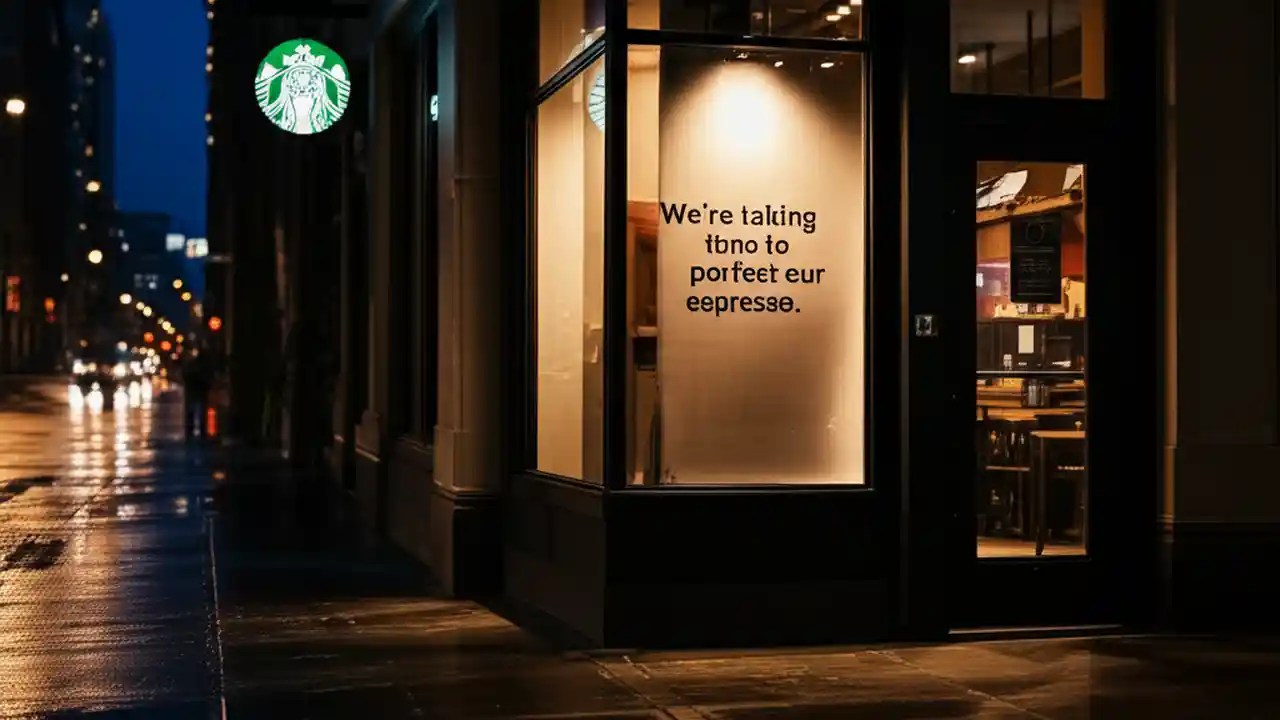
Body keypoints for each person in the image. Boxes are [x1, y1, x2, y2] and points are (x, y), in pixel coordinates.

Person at [182, 348, 213, 438]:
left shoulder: (193, 366)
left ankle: (192, 430)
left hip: (195, 393)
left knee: (193, 413)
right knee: (199, 412)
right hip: (198, 393)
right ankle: (199, 430)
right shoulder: (202, 367)